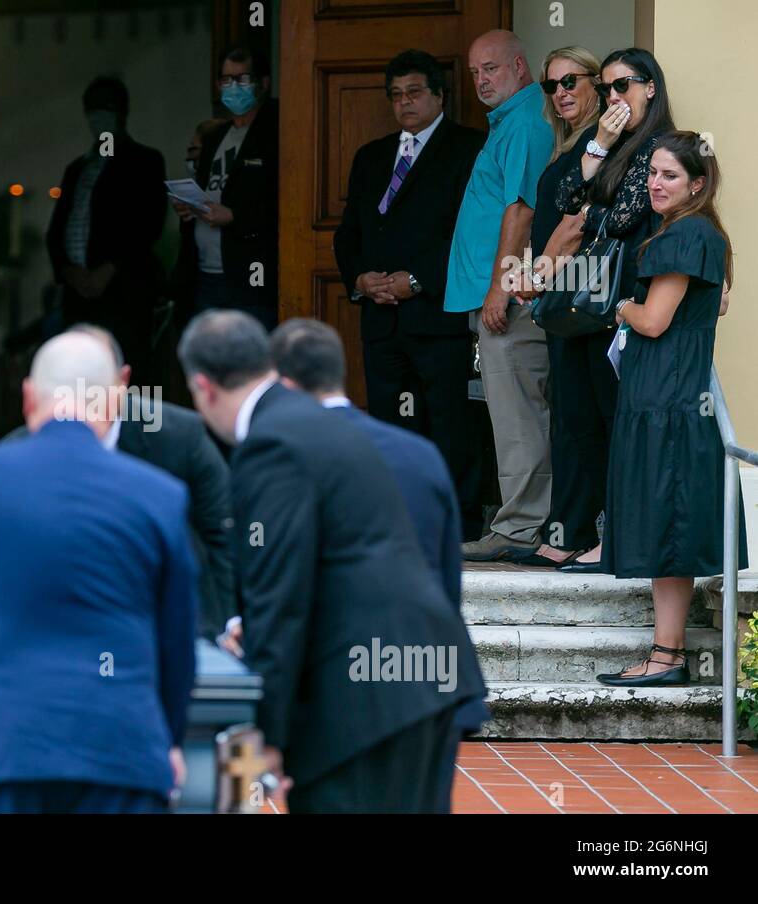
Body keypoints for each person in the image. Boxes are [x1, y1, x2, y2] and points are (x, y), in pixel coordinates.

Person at [178, 310, 485, 813]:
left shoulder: (273, 441)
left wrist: (266, 735)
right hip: (420, 682)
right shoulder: (325, 426)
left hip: (359, 705)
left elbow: (282, 597)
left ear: (204, 387)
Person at [0, 331, 196, 814]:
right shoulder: (159, 495)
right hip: (121, 751)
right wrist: (170, 735)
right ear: (116, 398)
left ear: (28, 396)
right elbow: (178, 638)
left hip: (1, 750)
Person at [268, 318, 490, 788]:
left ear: (283, 384)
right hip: (434, 686)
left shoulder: (286, 456)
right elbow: (447, 578)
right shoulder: (419, 453)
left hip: (341, 700)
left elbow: (284, 594)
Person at [597, 132, 746, 686]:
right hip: (671, 400)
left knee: (668, 530)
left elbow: (655, 320)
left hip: (667, 403)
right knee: (668, 531)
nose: (656, 184)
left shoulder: (683, 235)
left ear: (697, 184)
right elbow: (716, 303)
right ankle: (667, 653)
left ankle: (667, 656)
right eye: (652, 173)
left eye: (670, 176)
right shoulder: (701, 234)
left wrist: (624, 308)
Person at [334, 49, 487, 540]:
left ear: (440, 94)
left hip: (436, 313)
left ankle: (456, 524)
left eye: (415, 92)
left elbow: (469, 232)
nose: (405, 103)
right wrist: (359, 279)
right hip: (381, 318)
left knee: (449, 422)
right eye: (396, 95)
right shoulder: (372, 155)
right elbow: (348, 232)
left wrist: (416, 278)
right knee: (391, 424)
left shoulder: (468, 148)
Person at [7, 323, 236, 641]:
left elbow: (223, 534)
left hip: (168, 624)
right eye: (68, 380)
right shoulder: (13, 456)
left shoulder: (177, 436)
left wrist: (226, 626)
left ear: (122, 382)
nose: (80, 392)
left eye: (93, 380)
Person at [553, 48, 676, 573]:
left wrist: (590, 212)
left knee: (618, 419)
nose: (613, 99)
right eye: (605, 89)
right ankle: (599, 531)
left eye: (622, 86)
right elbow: (565, 196)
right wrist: (600, 141)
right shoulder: (613, 144)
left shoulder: (666, 148)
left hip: (629, 303)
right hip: (591, 301)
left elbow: (626, 215)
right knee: (586, 421)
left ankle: (619, 537)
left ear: (651, 87)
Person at [445, 30, 555, 563]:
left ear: (519, 65)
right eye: (474, 72)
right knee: (511, 408)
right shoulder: (511, 122)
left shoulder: (529, 120)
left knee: (517, 411)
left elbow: (523, 208)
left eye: (491, 68)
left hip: (510, 296)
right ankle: (521, 521)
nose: (482, 80)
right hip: (498, 294)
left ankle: (519, 529)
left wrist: (500, 286)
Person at [509, 47, 606, 568]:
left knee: (584, 415)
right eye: (552, 86)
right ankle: (567, 529)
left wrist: (536, 271)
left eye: (571, 81)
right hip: (559, 297)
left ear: (595, 83)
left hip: (585, 297)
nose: (562, 92)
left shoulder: (600, 146)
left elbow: (579, 222)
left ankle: (580, 533)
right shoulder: (565, 144)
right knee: (568, 413)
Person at [46, 76, 166, 385]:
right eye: (92, 108)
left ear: (122, 111)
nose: (98, 115)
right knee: (79, 376)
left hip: (123, 291)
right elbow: (57, 229)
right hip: (78, 292)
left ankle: (139, 430)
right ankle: (86, 430)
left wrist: (109, 268)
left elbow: (148, 224)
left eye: (106, 107)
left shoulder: (144, 161)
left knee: (130, 372)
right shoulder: (77, 169)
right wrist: (70, 272)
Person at [172, 46, 279, 331]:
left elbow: (287, 202)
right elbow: (207, 191)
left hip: (250, 276)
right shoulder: (216, 136)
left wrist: (235, 217)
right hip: (207, 273)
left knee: (249, 366)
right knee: (209, 367)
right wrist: (188, 205)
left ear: (264, 83)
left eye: (243, 79)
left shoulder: (278, 130)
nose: (233, 87)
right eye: (226, 80)